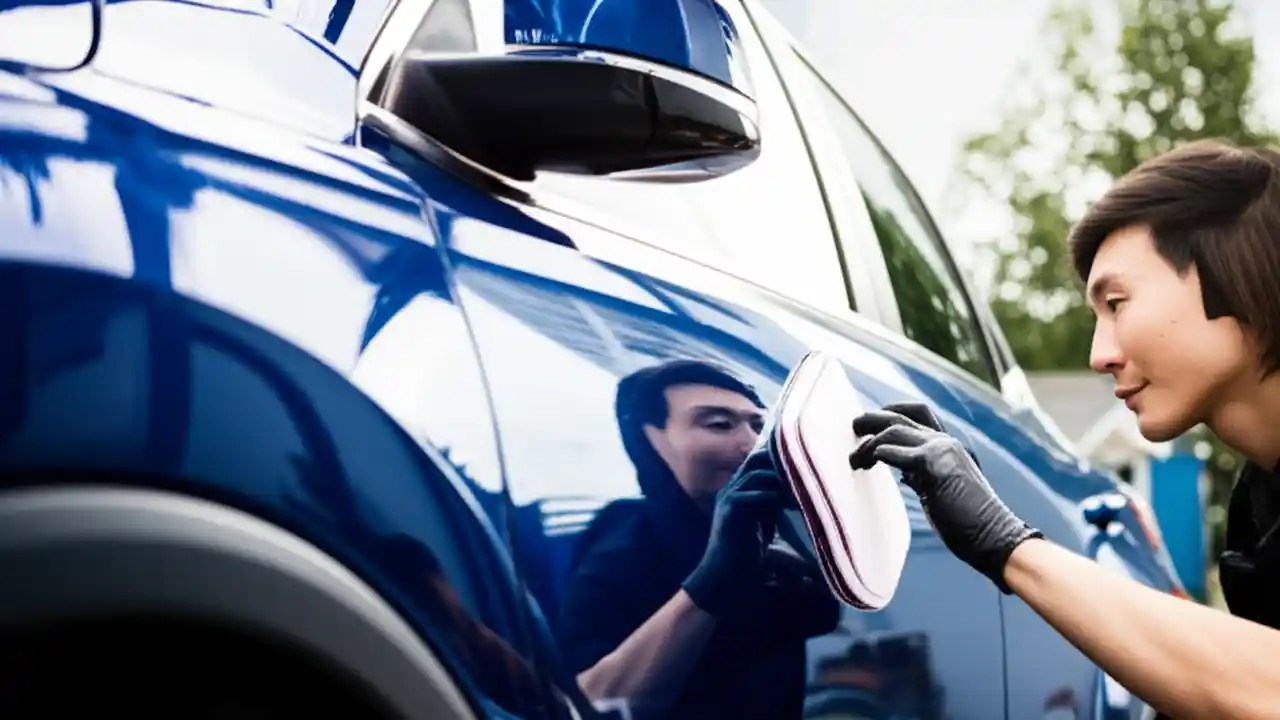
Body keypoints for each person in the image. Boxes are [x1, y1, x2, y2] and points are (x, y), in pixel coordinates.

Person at [849, 139, 1280, 719]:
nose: (1099, 356)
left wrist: (1005, 542)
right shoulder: (1258, 506)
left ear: (1229, 275)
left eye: (1117, 303)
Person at [558, 360, 839, 720]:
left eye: (759, 426)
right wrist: (711, 584)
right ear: (650, 441)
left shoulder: (778, 532)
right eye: (719, 424)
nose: (752, 445)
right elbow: (589, 706)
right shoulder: (620, 554)